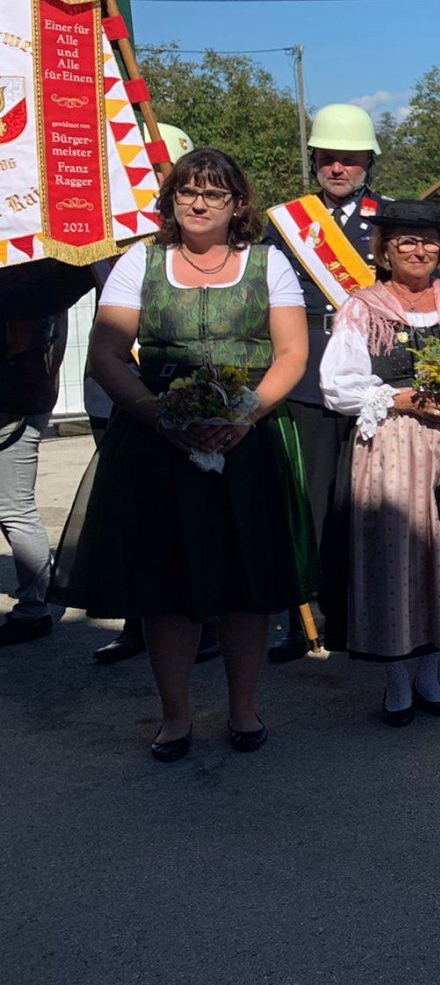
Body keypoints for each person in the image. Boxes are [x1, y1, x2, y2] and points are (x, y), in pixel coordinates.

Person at [55, 148, 311, 761]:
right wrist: (160, 417)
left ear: (238, 204)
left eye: (214, 194)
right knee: (167, 583)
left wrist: (243, 417)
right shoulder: (136, 265)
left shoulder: (269, 264)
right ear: (169, 200)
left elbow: (291, 356)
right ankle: (175, 717)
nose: (198, 203)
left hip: (246, 441)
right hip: (156, 444)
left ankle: (243, 709)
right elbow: (110, 356)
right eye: (187, 191)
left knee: (246, 582)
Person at [320, 201, 440, 724]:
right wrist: (401, 399)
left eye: (428, 239)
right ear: (384, 248)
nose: (418, 249)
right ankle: (397, 682)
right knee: (397, 558)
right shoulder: (363, 306)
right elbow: (338, 384)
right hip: (394, 445)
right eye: (405, 239)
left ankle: (432, 677)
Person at [264, 103, 391, 663]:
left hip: (370, 372)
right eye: (328, 158)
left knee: (366, 502)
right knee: (307, 502)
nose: (337, 168)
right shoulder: (286, 221)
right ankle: (303, 615)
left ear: (368, 162)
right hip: (306, 371)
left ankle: (357, 615)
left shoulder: (389, 219)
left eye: (349, 159)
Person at [88, 125, 218, 666]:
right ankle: (136, 622)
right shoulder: (104, 239)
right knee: (137, 520)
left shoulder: (207, 240)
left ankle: (206, 619)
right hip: (120, 396)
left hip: (195, 397)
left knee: (201, 520)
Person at [0, 311, 65, 646]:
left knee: (14, 508)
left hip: (14, 399)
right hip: (28, 393)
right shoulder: (42, 277)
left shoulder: (20, 283)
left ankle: (34, 609)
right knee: (13, 505)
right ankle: (38, 594)